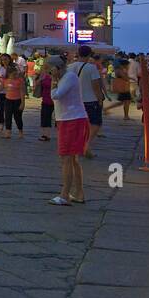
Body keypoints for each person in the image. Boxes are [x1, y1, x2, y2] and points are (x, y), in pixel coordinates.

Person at [50, 55, 88, 205]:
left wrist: (53, 82)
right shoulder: (66, 77)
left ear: (56, 67)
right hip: (68, 119)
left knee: (66, 158)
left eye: (49, 69)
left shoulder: (69, 77)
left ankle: (64, 195)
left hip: (71, 120)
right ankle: (78, 193)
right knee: (72, 159)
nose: (48, 72)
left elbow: (56, 95)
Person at [74, 45, 105, 159]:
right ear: (89, 54)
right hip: (90, 100)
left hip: (75, 100)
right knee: (95, 124)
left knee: (80, 125)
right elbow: (96, 86)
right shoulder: (91, 68)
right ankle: (86, 145)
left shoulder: (70, 67)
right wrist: (100, 99)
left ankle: (82, 146)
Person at [1, 64, 25, 138]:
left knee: (17, 117)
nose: (15, 75)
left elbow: (22, 92)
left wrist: (22, 103)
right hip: (8, 100)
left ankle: (20, 131)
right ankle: (8, 132)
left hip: (17, 101)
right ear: (9, 74)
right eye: (13, 74)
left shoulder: (20, 80)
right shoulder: (5, 81)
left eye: (16, 74)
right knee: (7, 116)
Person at [37, 58, 56, 141]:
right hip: (46, 98)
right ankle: (45, 134)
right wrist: (40, 79)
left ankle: (60, 134)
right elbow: (37, 84)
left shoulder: (56, 74)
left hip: (55, 98)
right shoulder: (43, 74)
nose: (45, 65)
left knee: (57, 118)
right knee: (45, 116)